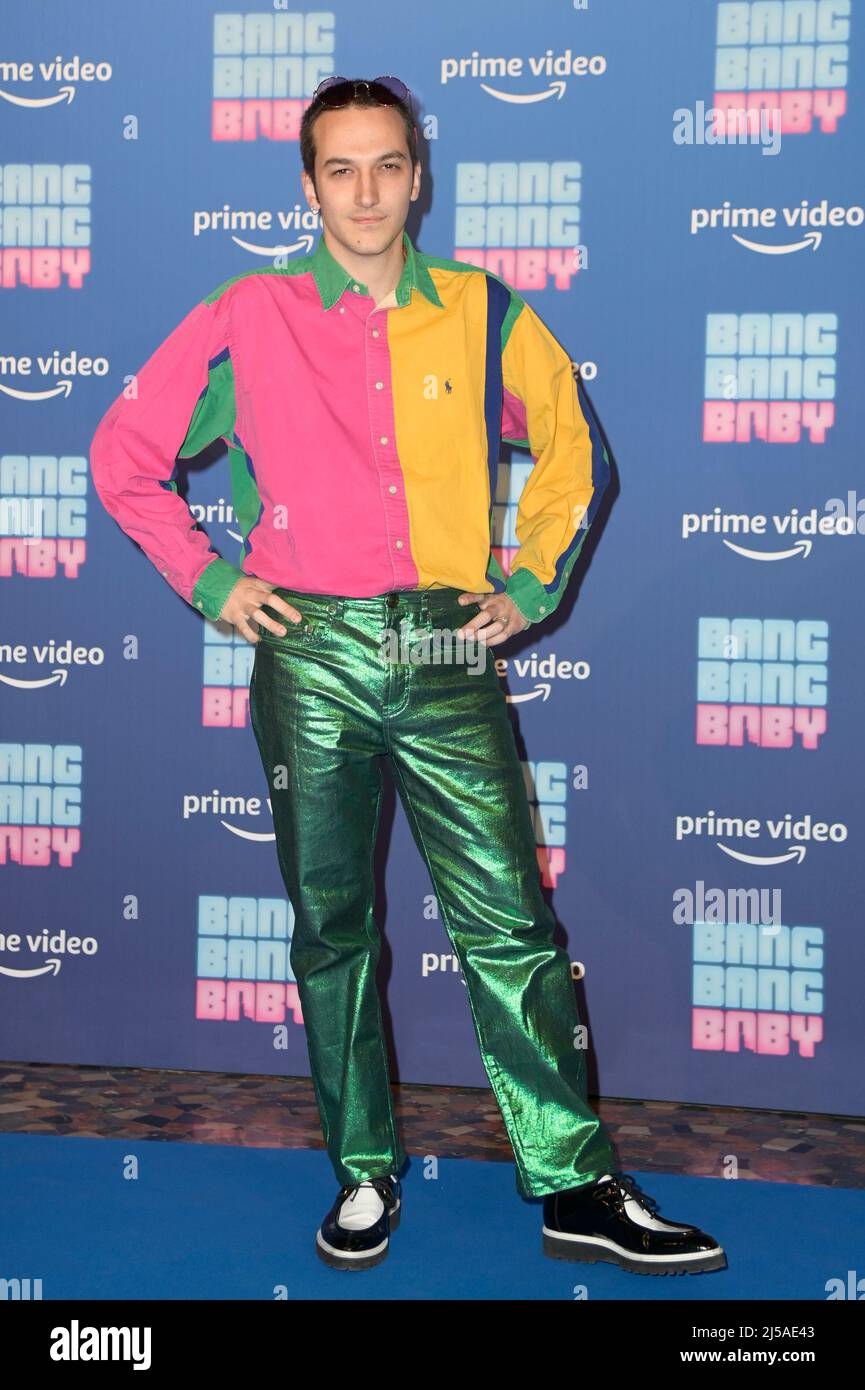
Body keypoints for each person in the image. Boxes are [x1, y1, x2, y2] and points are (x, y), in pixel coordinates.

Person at [89, 74, 726, 1279]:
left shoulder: (482, 310)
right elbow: (125, 455)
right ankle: (365, 1174)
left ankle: (575, 1180)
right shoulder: (249, 310)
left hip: (443, 643)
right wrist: (210, 579)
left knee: (511, 921)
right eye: (341, 168)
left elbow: (572, 443)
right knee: (333, 930)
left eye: (388, 165)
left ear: (417, 175)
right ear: (308, 183)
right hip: (309, 649)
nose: (367, 191)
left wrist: (530, 583)